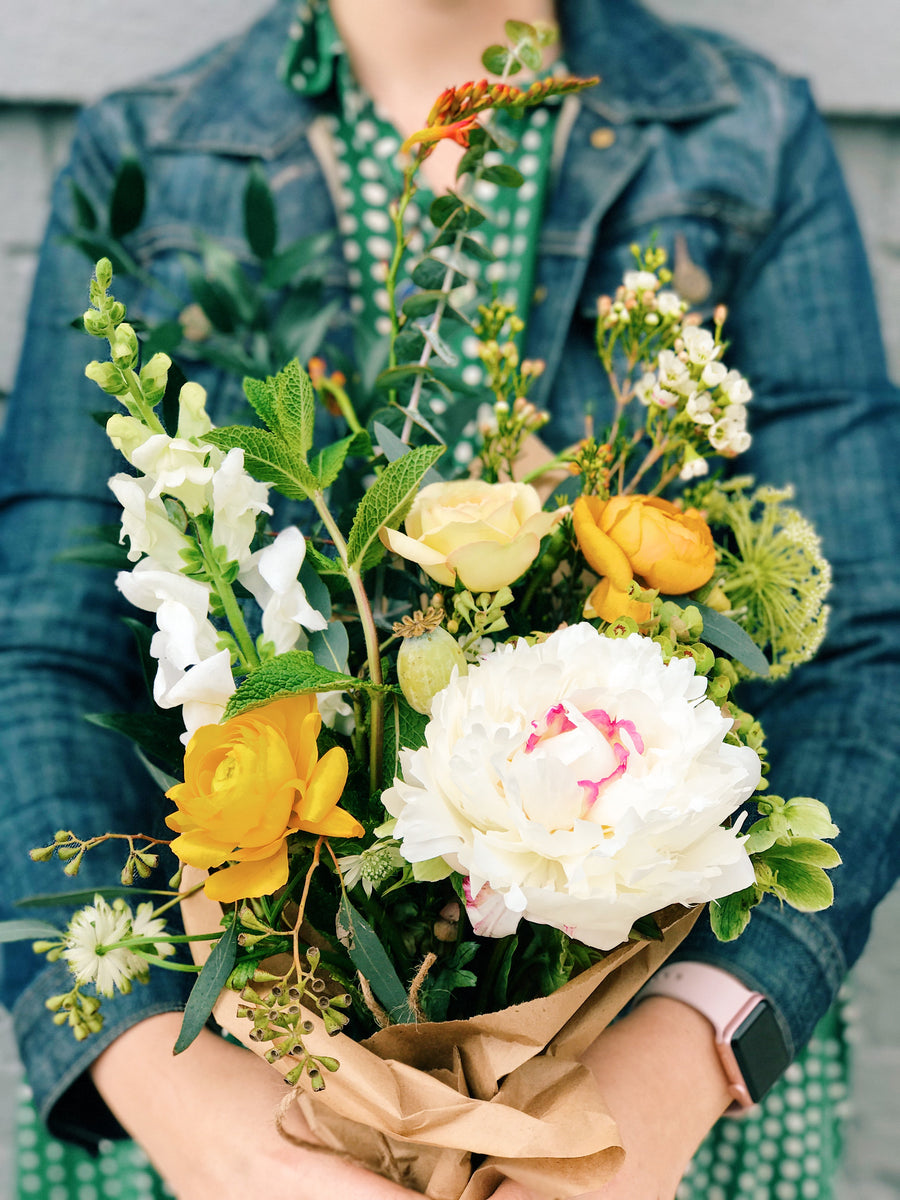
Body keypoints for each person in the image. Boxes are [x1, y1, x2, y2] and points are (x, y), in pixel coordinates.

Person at [1, 1, 898, 1197]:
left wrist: (670, 1077)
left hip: (658, 1097)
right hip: (239, 1095)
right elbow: (41, 666)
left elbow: (861, 660)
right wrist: (185, 1107)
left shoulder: (740, 135)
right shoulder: (151, 153)